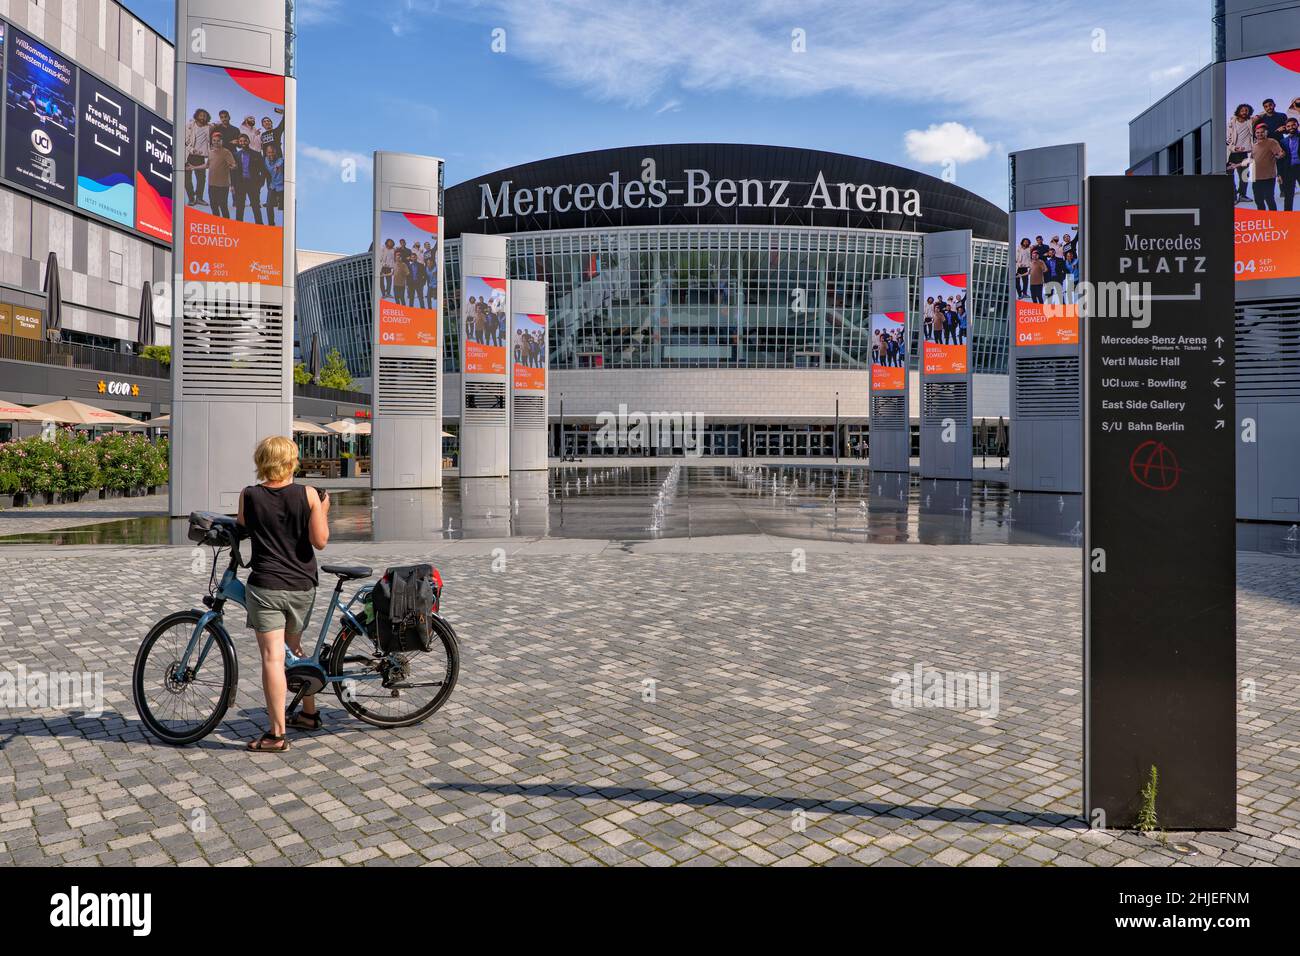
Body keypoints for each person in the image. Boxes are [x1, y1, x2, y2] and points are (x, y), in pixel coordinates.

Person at [236, 436, 330, 753]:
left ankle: (277, 735)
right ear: (292, 461)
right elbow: (321, 541)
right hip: (303, 586)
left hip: (267, 586)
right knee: (294, 649)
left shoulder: (249, 495)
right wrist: (321, 507)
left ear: (262, 462)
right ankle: (309, 713)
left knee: (273, 658)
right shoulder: (309, 494)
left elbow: (243, 526)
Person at [185, 130, 235, 218]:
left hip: (223, 185)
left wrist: (233, 169)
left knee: (223, 206)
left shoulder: (226, 152)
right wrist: (193, 167)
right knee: (213, 206)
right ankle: (217, 224)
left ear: (222, 141)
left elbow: (232, 165)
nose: (216, 142)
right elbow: (207, 165)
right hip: (212, 185)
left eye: (218, 140)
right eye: (214, 140)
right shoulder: (211, 152)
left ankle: (227, 226)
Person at [231, 134, 266, 224]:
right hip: (240, 184)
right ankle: (239, 226)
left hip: (253, 184)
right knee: (240, 206)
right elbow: (233, 172)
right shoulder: (236, 155)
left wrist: (261, 182)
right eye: (241, 141)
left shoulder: (257, 154)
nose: (243, 143)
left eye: (245, 140)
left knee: (255, 206)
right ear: (239, 142)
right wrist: (232, 185)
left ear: (248, 141)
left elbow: (263, 170)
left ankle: (259, 225)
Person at [1251, 122, 1285, 210]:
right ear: (1255, 134)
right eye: (1257, 132)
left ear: (1266, 132)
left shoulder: (1272, 142)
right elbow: (1251, 160)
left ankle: (1273, 219)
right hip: (1255, 177)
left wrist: (1280, 154)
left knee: (1269, 199)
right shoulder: (1254, 145)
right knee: (1258, 200)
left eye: (1262, 132)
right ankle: (1262, 218)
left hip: (1268, 177)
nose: (1260, 134)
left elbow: (1279, 153)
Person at [1228, 103, 1255, 202]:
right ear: (1238, 111)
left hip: (1245, 152)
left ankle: (1242, 195)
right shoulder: (1231, 123)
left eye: (1247, 110)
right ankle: (1233, 196)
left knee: (1244, 175)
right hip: (1232, 152)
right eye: (1242, 110)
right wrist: (1234, 148)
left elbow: (1262, 115)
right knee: (1229, 175)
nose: (1244, 112)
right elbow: (1227, 139)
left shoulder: (1250, 122)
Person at [184, 108, 211, 206]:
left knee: (201, 179)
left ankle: (199, 198)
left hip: (200, 157)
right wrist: (192, 150)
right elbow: (185, 141)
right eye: (201, 115)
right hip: (188, 155)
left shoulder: (208, 127)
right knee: (187, 179)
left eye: (205, 115)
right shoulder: (190, 126)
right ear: (197, 116)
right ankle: (191, 198)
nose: (203, 117)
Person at [1280, 118, 1300, 211]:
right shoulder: (1283, 141)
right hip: (1289, 170)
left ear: (1297, 125)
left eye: (1293, 125)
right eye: (1288, 126)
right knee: (1288, 195)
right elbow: (1280, 159)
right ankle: (1287, 217)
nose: (1291, 127)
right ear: (1286, 128)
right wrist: (1279, 174)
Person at [262, 144, 285, 225]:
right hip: (273, 186)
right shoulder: (265, 160)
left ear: (275, 152)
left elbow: (280, 163)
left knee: (283, 207)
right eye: (269, 152)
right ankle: (271, 225)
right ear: (266, 153)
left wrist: (279, 167)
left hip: (282, 187)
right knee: (269, 206)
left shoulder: (281, 160)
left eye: (272, 152)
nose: (271, 154)